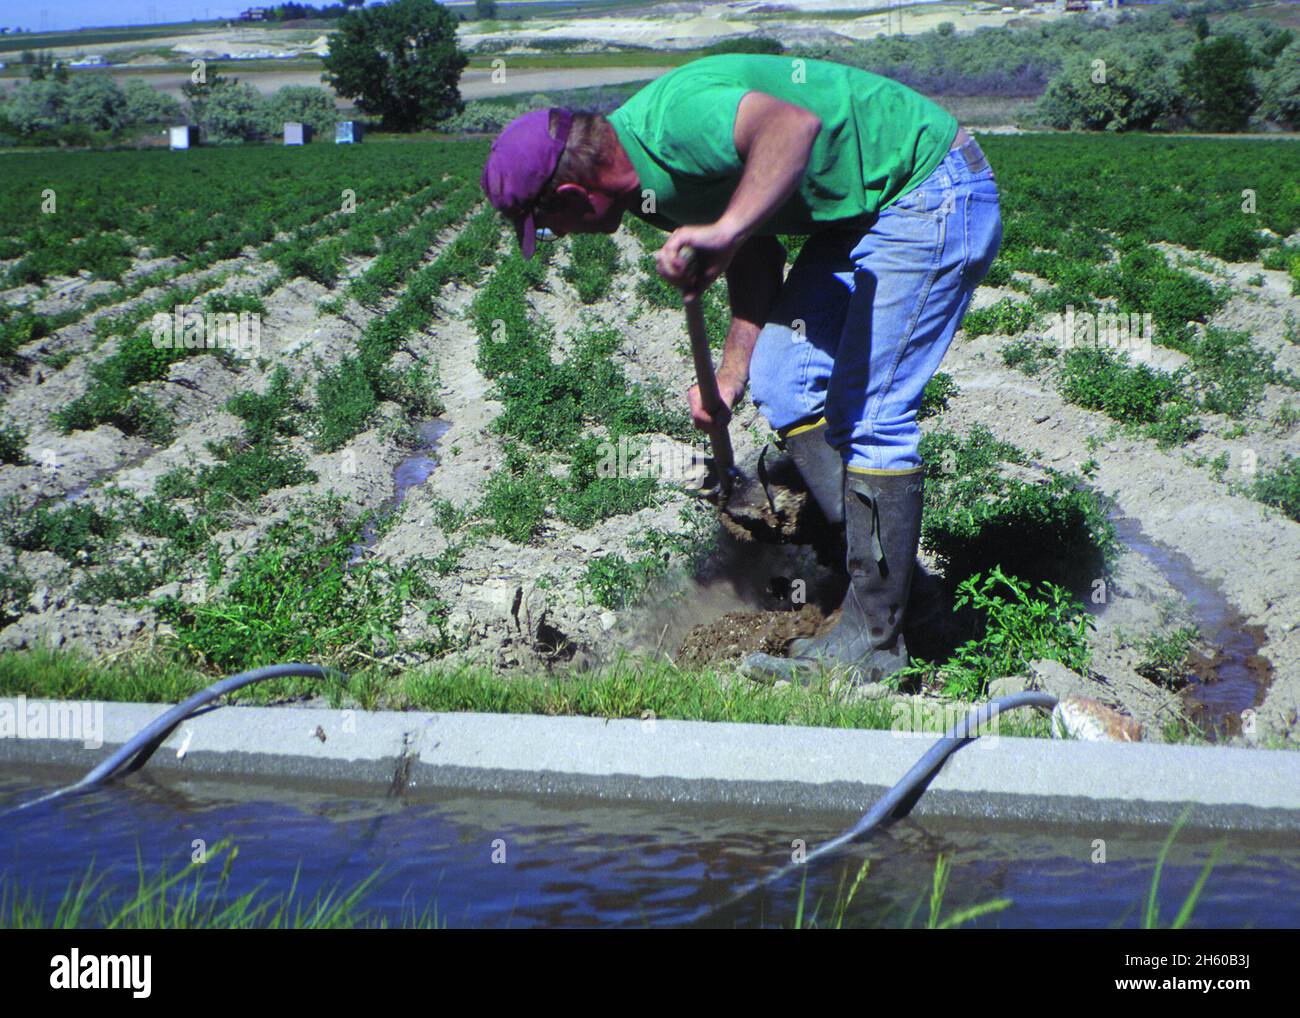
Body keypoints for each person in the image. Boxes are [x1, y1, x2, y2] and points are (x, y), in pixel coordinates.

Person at [480, 53, 1002, 684]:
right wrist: (727, 377)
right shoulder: (647, 192)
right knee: (782, 378)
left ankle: (876, 642)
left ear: (570, 194)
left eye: (551, 226)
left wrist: (722, 230)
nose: (560, 237)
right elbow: (756, 253)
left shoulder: (676, 123)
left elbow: (792, 128)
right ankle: (893, 587)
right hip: (858, 219)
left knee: (873, 411)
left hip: (928, 190)